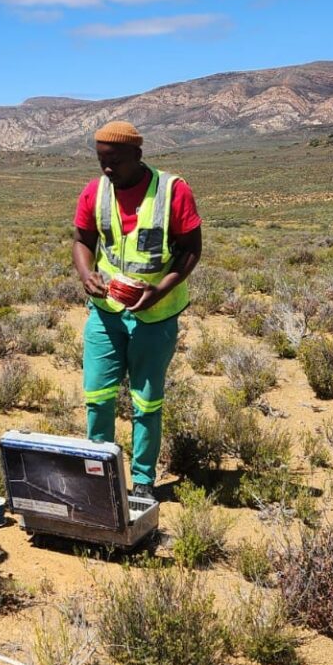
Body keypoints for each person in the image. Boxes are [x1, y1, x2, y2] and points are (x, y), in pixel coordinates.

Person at [71, 121, 203, 501]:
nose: (107, 169)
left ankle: (143, 480)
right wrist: (86, 274)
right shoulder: (95, 192)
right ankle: (99, 475)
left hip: (154, 316)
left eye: (114, 161)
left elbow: (191, 249)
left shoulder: (172, 191)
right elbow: (82, 239)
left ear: (138, 156)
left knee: (146, 402)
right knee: (97, 396)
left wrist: (160, 290)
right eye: (100, 160)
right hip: (105, 312)